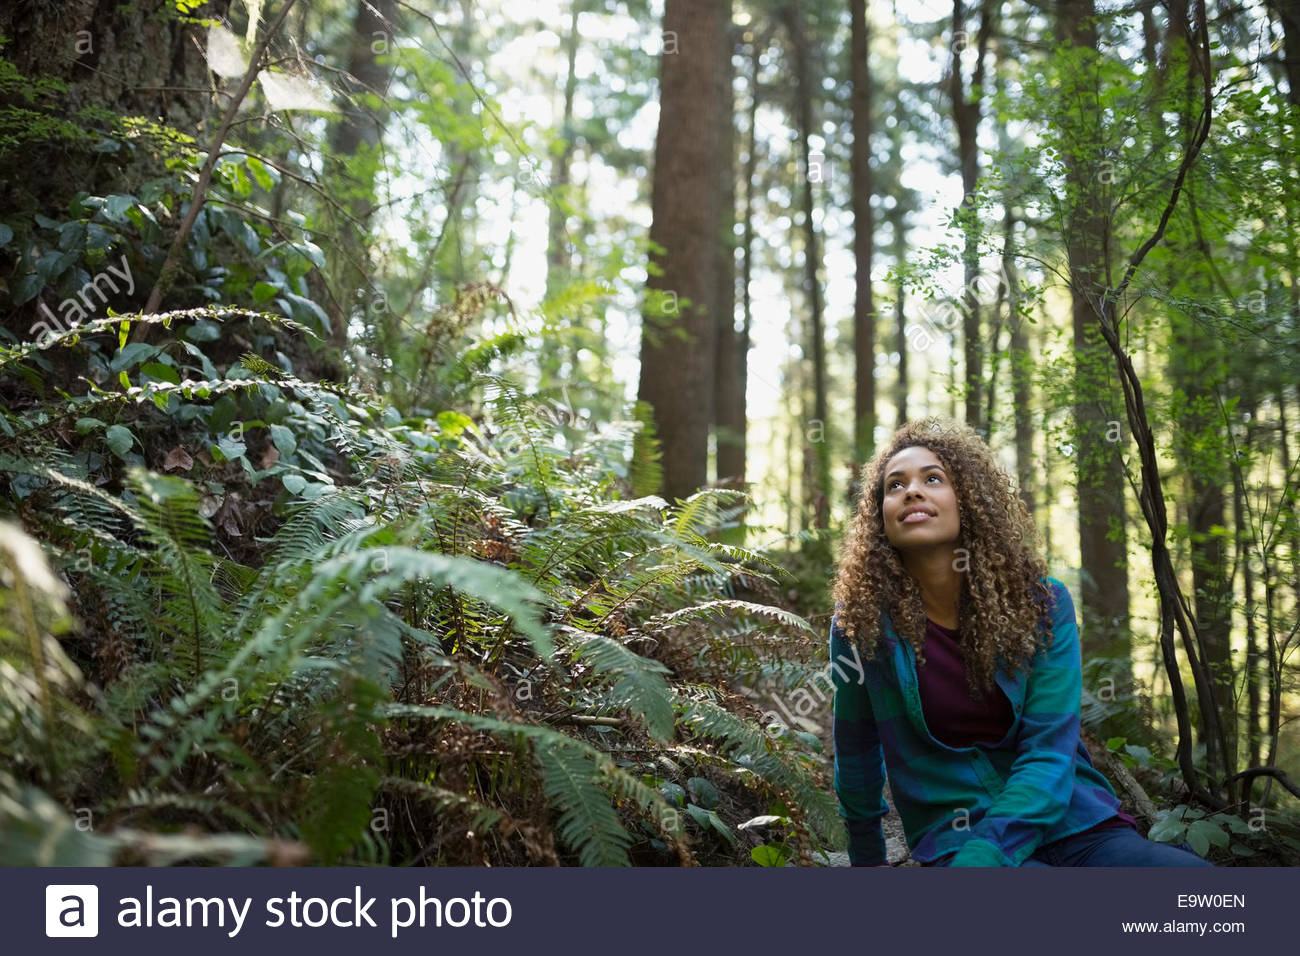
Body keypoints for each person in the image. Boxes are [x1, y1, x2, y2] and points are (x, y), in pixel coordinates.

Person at [829, 418, 1212, 867]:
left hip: (1072, 823)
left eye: (933, 479)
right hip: (956, 834)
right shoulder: (861, 626)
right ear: (879, 518)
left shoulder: (1043, 603)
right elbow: (855, 756)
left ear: (969, 500)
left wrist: (989, 850)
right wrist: (868, 866)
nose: (912, 491)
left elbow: (1049, 749)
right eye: (895, 485)